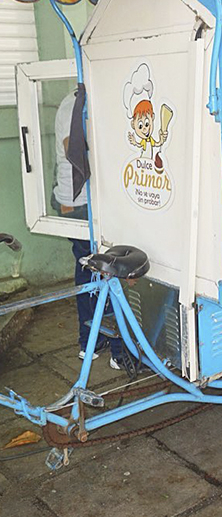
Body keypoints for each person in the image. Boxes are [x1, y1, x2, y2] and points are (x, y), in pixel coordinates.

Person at [54, 90, 122, 370]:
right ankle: (120, 352)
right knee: (109, 270)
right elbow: (74, 149)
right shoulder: (78, 103)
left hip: (76, 200)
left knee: (87, 271)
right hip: (83, 202)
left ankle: (91, 342)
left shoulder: (72, 100)